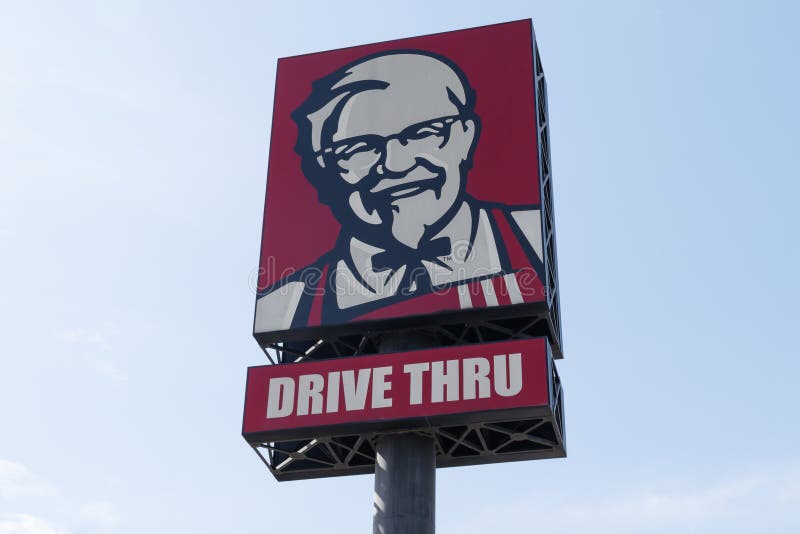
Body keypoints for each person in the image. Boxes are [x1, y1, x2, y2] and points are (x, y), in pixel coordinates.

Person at [255, 50, 546, 333]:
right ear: (326, 168)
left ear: (465, 136)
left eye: (422, 133)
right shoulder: (285, 306)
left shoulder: (532, 240)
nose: (395, 164)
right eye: (359, 149)